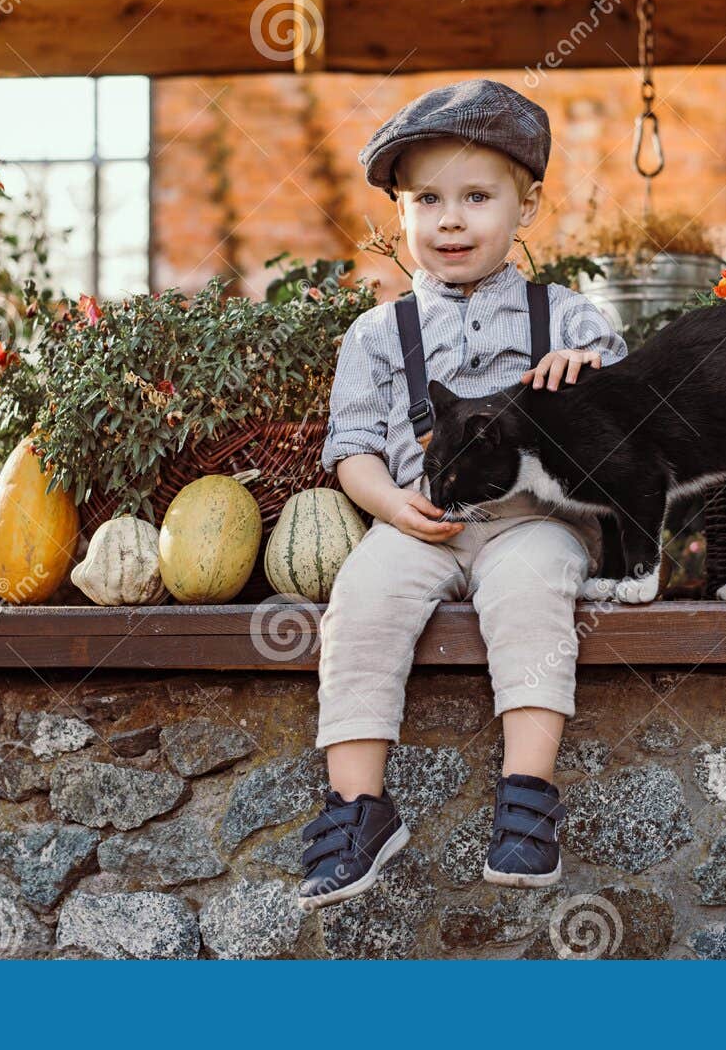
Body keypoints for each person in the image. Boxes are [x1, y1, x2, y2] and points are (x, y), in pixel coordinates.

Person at [298, 78, 628, 910]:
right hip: (420, 521)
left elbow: (635, 413)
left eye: (477, 197)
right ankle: (358, 807)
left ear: (527, 206)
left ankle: (526, 798)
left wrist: (585, 378)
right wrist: (387, 503)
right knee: (361, 599)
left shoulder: (566, 317)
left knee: (532, 592)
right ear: (399, 212)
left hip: (531, 522)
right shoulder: (377, 334)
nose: (450, 220)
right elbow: (352, 448)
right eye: (428, 200)